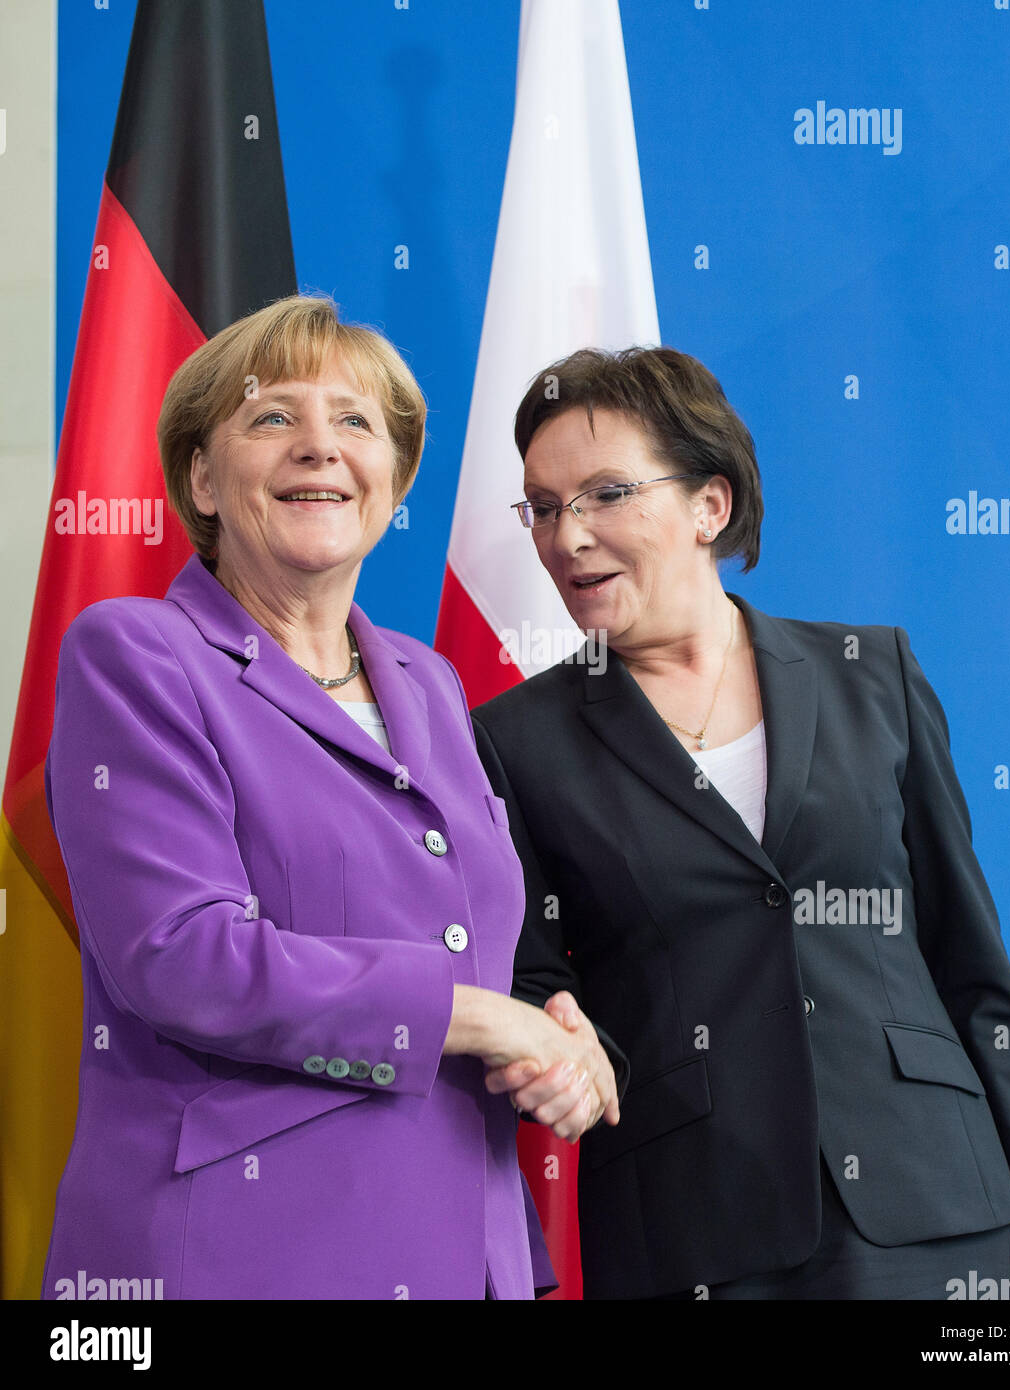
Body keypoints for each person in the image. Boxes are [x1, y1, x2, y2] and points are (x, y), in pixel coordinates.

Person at [474, 345, 1010, 1300]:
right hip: (693, 1225)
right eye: (545, 509)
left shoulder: (870, 673)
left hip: (934, 1206)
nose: (568, 537)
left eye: (604, 495)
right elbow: (535, 983)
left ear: (709, 506)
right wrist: (557, 1032)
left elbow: (969, 954)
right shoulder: (514, 740)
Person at [41, 295, 617, 1301]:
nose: (319, 446)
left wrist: (549, 1035)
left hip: (463, 1247)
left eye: (354, 422)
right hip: (240, 1252)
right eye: (272, 418)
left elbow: (458, 942)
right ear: (201, 479)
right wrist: (481, 1018)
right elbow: (183, 956)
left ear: (390, 484)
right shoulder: (137, 655)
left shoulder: (428, 681)